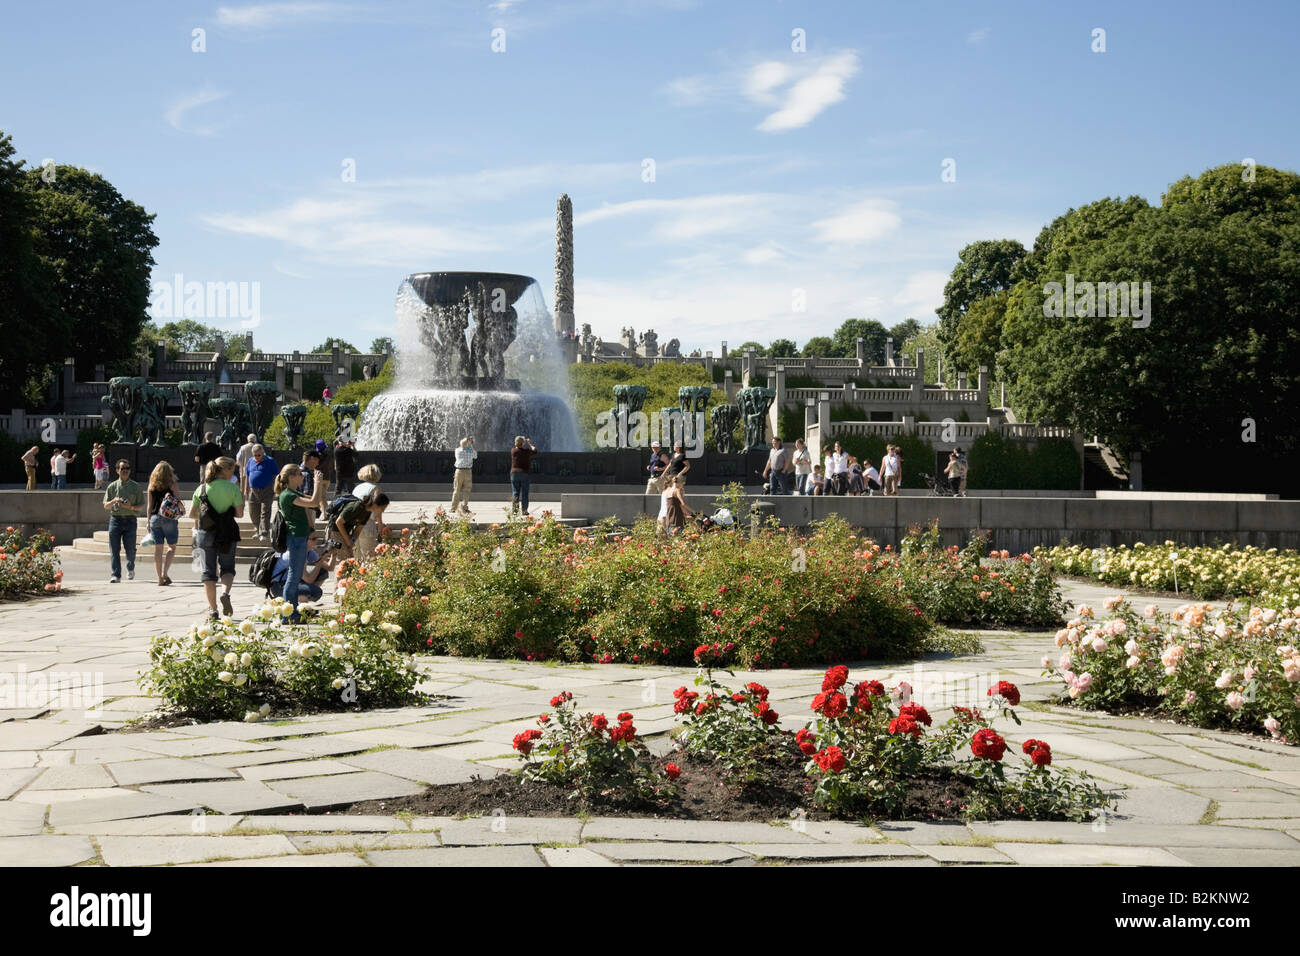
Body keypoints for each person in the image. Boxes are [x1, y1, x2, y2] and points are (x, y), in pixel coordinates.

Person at [274, 462, 331, 622]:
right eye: (299, 473)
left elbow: (316, 500)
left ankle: (291, 612)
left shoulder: (293, 492)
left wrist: (318, 486)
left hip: (299, 537)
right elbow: (314, 503)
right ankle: (288, 614)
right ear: (291, 477)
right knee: (294, 576)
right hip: (296, 538)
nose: (302, 475)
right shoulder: (289, 495)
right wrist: (317, 482)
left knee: (295, 574)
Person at [191, 456, 244, 620]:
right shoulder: (233, 488)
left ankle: (213, 610)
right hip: (227, 532)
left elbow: (192, 513)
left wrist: (208, 515)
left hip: (206, 532)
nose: (233, 473)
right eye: (232, 470)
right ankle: (225, 593)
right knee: (227, 567)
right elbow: (240, 514)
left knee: (208, 572)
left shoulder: (202, 489)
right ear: (225, 470)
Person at [103, 460, 144, 583]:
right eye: (122, 468)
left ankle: (130, 567)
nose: (125, 470)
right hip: (115, 520)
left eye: (127, 468)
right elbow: (105, 505)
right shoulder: (112, 487)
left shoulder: (136, 487)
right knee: (114, 549)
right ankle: (116, 574)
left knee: (130, 549)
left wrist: (130, 507)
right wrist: (113, 501)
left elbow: (140, 506)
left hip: (131, 520)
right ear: (117, 471)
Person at [269, 530, 332, 603]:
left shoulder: (309, 551)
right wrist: (320, 562)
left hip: (291, 581)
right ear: (304, 540)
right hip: (279, 586)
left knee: (323, 572)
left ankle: (303, 596)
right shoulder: (296, 553)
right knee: (316, 592)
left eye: (317, 538)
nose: (317, 541)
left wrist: (333, 554)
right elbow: (308, 579)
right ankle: (295, 604)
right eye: (313, 539)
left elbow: (329, 567)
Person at [146, 461, 182, 586]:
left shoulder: (152, 485)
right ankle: (165, 573)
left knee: (158, 549)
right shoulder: (172, 485)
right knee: (171, 547)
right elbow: (178, 501)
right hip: (169, 518)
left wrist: (148, 521)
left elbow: (149, 506)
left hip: (155, 518)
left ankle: (159, 578)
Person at [332, 489, 389, 558]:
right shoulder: (357, 507)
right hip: (334, 530)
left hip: (345, 531)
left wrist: (352, 541)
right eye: (382, 508)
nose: (382, 511)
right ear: (376, 505)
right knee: (344, 559)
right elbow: (338, 522)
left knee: (348, 558)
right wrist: (348, 541)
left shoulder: (368, 512)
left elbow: (358, 530)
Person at [244, 444, 278, 540]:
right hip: (253, 490)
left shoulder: (270, 461)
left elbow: (276, 475)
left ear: (263, 453)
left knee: (265, 511)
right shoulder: (250, 461)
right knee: (253, 511)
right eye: (255, 455)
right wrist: (246, 488)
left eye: (259, 455)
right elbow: (247, 475)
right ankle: (257, 530)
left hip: (267, 489)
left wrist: (276, 488)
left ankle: (264, 532)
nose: (257, 457)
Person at [350, 463, 384, 558]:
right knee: (369, 555)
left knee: (356, 555)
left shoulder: (357, 488)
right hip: (367, 524)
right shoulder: (375, 488)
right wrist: (380, 524)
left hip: (353, 524)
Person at [509, 435, 536, 516]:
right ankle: (524, 511)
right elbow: (535, 451)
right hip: (524, 474)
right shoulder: (527, 452)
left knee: (515, 492)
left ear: (516, 443)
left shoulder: (513, 451)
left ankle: (515, 511)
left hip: (514, 474)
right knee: (525, 493)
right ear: (523, 443)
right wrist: (530, 443)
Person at [451, 437, 477, 515]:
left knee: (456, 489)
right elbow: (475, 456)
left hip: (459, 471)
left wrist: (466, 442)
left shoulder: (457, 451)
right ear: (468, 444)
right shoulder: (471, 451)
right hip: (468, 471)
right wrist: (471, 444)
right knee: (467, 490)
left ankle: (453, 508)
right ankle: (465, 507)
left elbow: (461, 447)